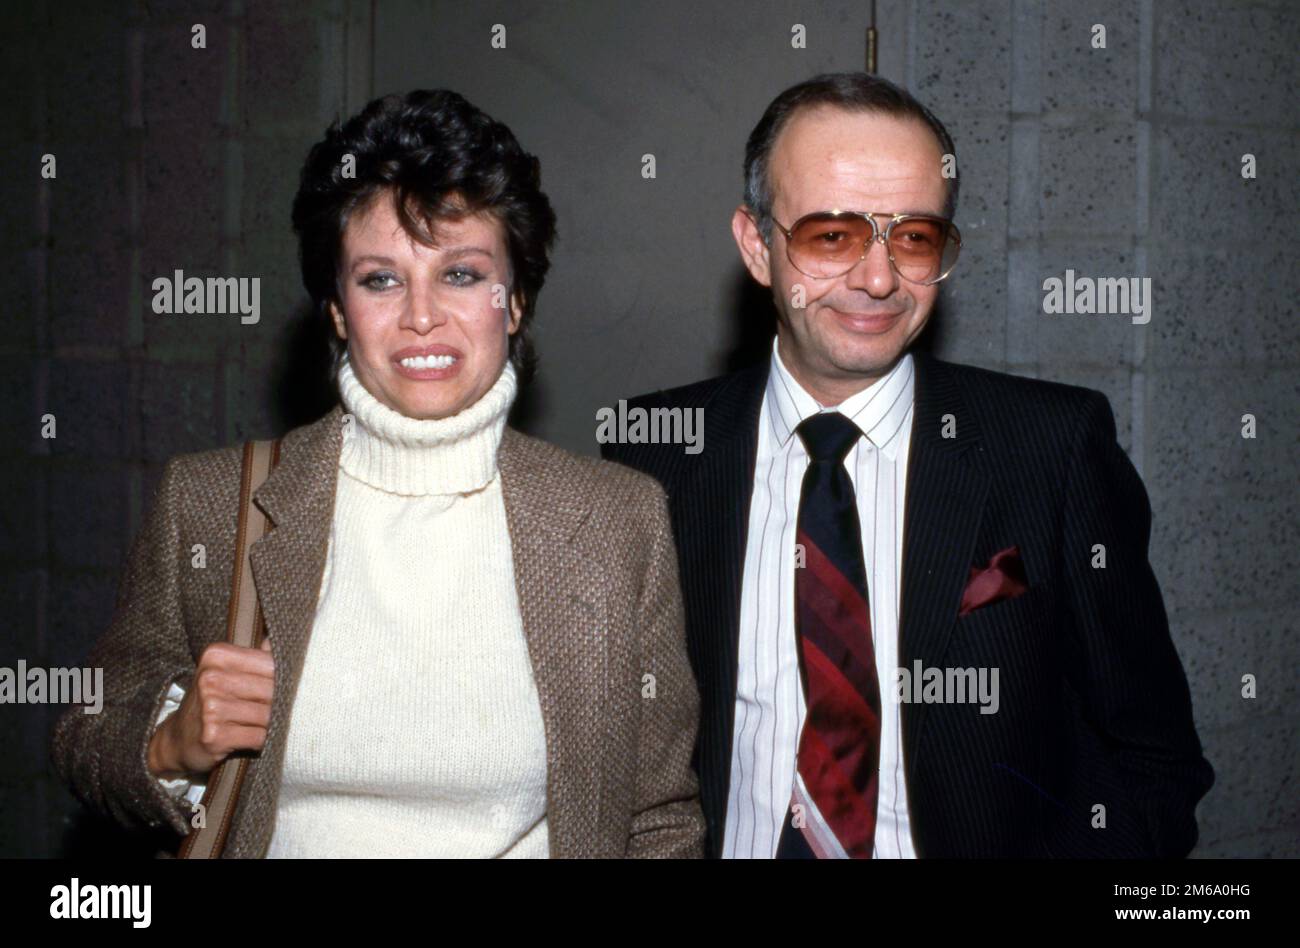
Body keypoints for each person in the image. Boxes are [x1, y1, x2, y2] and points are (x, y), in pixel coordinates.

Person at [50, 89, 705, 858]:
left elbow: (658, 819)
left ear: (516, 299)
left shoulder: (618, 520)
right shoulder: (211, 505)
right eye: (380, 279)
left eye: (461, 274)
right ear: (336, 309)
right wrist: (169, 746)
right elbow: (85, 737)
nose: (421, 315)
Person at [602, 72, 1213, 858]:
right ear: (757, 247)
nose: (880, 278)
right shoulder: (652, 452)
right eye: (832, 235)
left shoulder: (1052, 449)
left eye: (915, 237)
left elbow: (1152, 757)